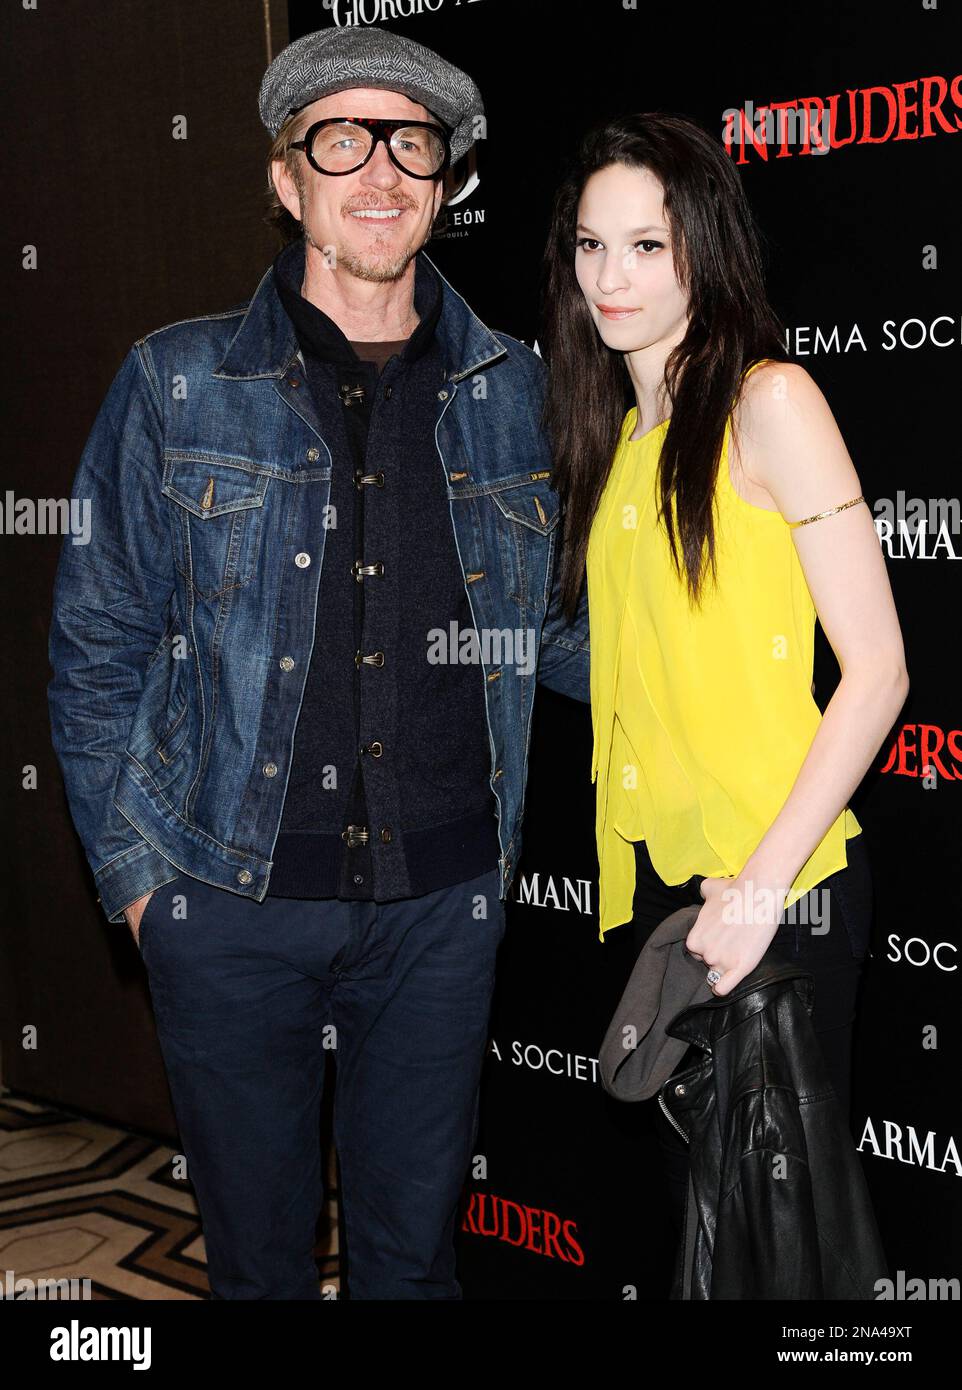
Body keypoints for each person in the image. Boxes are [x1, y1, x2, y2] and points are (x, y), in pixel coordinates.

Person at [47, 25, 589, 1301]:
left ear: (446, 181)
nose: (380, 170)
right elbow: (95, 645)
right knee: (258, 1267)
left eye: (411, 142)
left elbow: (561, 631)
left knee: (412, 1264)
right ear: (287, 179)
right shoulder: (176, 381)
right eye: (339, 140)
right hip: (223, 903)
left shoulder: (517, 386)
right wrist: (141, 891)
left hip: (440, 908)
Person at [540, 113, 908, 1246]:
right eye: (591, 247)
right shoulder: (617, 434)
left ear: (702, 246)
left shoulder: (767, 402)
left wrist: (756, 889)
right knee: (710, 1241)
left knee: (784, 1249)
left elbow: (880, 670)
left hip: (778, 885)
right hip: (677, 889)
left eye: (646, 246)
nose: (611, 277)